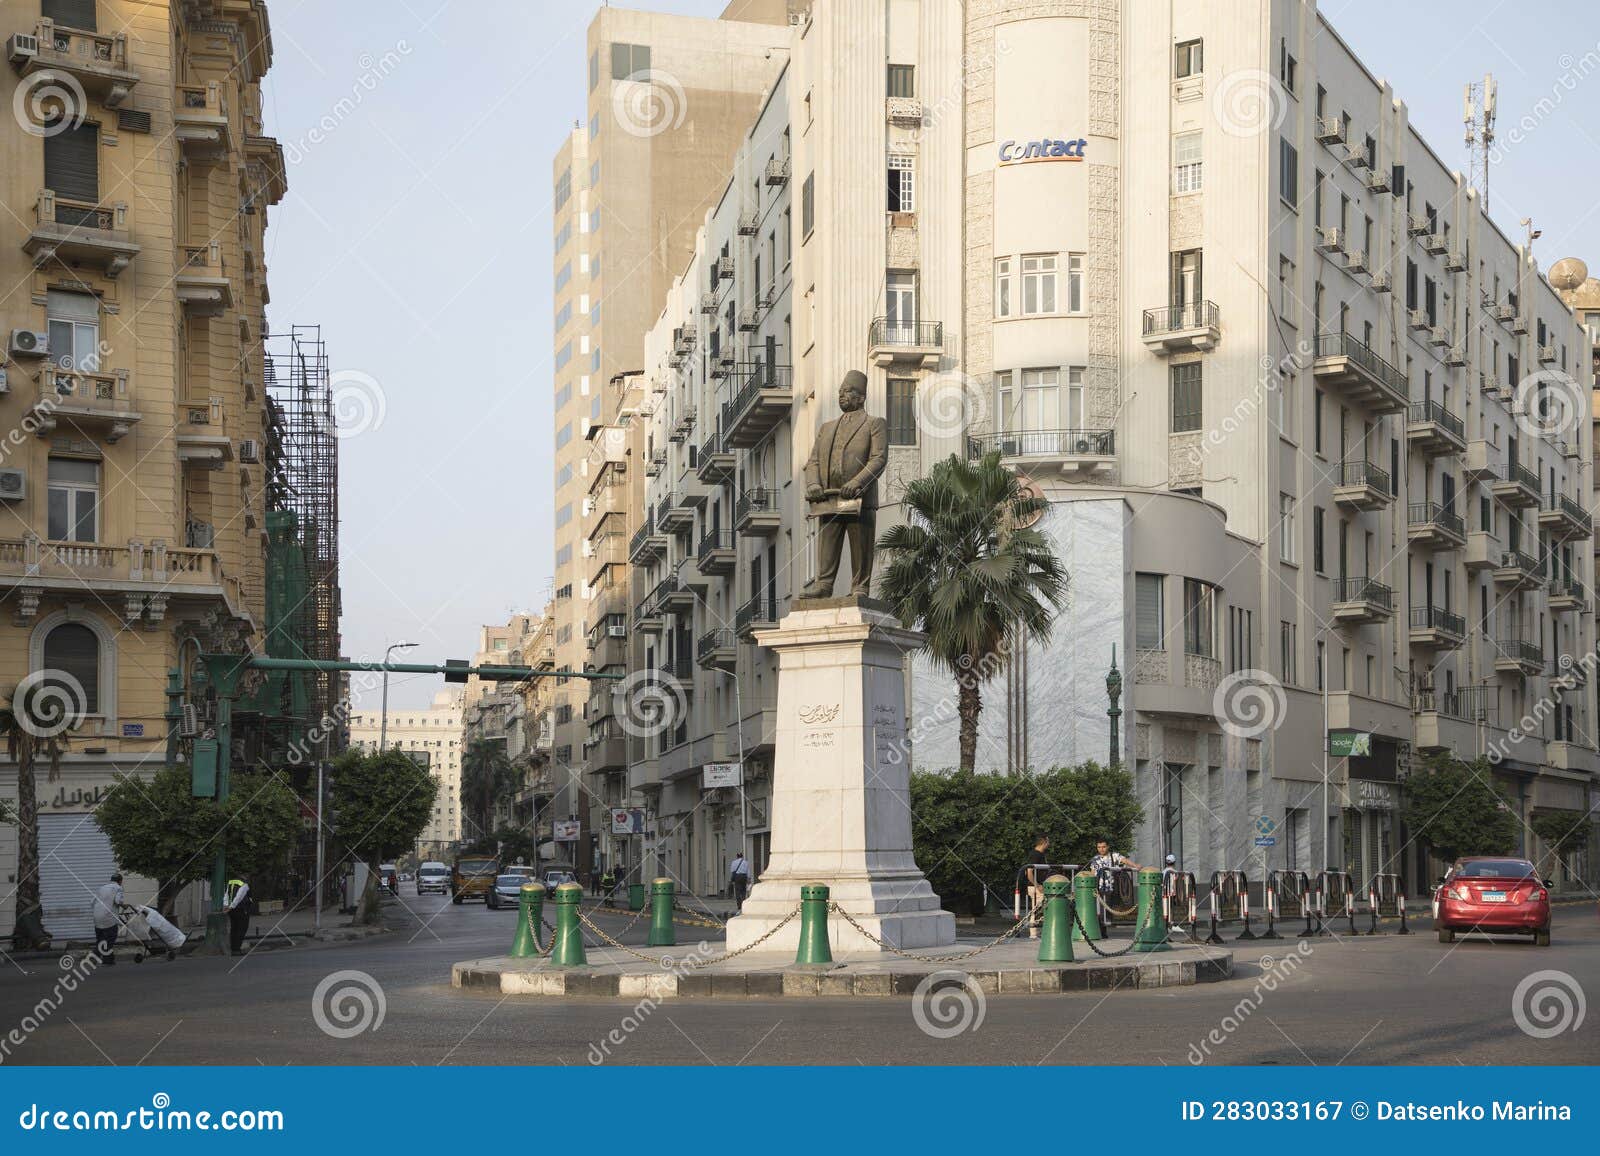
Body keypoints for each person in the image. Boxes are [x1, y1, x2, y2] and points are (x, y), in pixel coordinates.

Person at [1089, 840, 1140, 927]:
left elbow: (1125, 860)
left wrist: (1135, 866)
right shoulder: (1095, 859)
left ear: (1108, 847)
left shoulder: (1114, 855)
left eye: (1103, 847)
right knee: (1101, 910)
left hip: (1112, 887)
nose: (1101, 849)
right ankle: (1103, 927)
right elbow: (1092, 873)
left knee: (1109, 909)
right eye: (1099, 847)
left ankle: (1106, 925)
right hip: (1100, 888)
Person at [91, 873, 124, 965]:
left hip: (97, 917)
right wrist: (123, 905)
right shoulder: (118, 888)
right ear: (120, 881)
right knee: (110, 939)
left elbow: (92, 902)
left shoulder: (102, 888)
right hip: (108, 918)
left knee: (101, 939)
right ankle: (98, 957)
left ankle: (108, 959)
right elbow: (118, 901)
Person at [1024, 834, 1052, 925]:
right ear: (1044, 842)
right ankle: (1034, 930)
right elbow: (1029, 872)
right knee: (1037, 911)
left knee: (1038, 910)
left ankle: (1035, 930)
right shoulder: (1036, 855)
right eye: (1048, 841)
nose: (1049, 844)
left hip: (1037, 886)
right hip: (1036, 887)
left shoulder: (1039, 854)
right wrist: (1037, 885)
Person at [223, 875, 251, 956]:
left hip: (232, 910)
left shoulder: (231, 882)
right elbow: (239, 897)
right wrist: (231, 906)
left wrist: (226, 905)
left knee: (234, 929)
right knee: (241, 929)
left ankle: (233, 948)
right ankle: (237, 949)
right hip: (241, 909)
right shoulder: (244, 884)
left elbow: (226, 894)